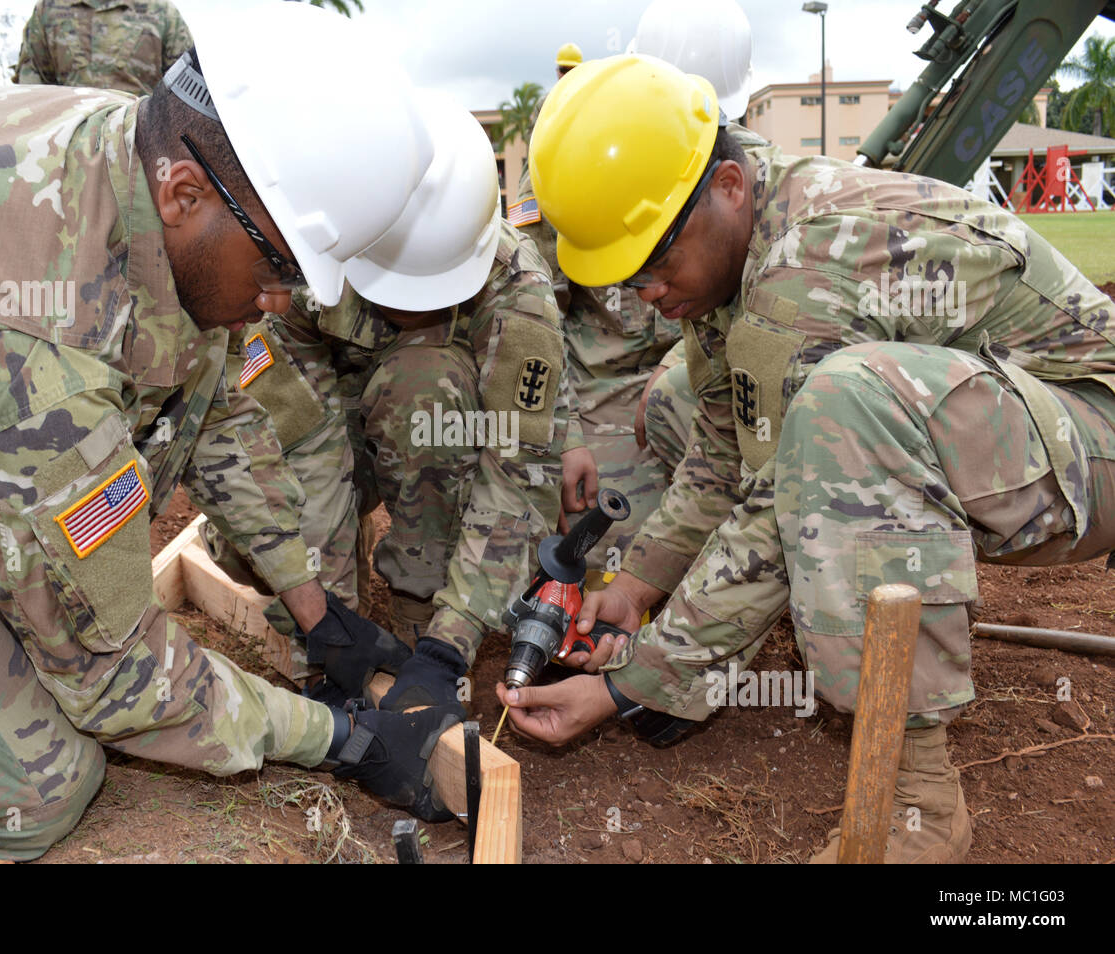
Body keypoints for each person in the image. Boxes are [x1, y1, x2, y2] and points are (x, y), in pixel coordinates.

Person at [0, 3, 457, 862]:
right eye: (280, 268)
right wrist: (338, 737)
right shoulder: (22, 353)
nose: (282, 303)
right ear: (185, 194)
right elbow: (114, 675)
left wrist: (312, 606)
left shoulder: (141, 160)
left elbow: (218, 405)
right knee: (34, 781)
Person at [500, 54, 1115, 864]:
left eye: (652, 261)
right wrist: (642, 583)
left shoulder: (807, 263)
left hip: (1089, 448)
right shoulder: (737, 248)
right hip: (1006, 437)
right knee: (680, 390)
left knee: (839, 404)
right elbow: (727, 445)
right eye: (625, 276)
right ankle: (808, 612)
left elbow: (771, 495)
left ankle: (913, 802)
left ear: (726, 186)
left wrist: (634, 682)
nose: (644, 293)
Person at [208, 90, 581, 715]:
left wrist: (449, 642)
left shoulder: (518, 294)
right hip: (344, 424)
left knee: (420, 384)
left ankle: (419, 609)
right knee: (243, 546)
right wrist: (323, 621)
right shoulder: (303, 256)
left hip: (432, 422)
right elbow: (298, 444)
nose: (411, 307)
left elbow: (519, 476)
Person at [509, 0, 763, 571]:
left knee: (762, 512)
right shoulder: (581, 152)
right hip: (596, 392)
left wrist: (678, 360)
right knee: (603, 556)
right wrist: (565, 435)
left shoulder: (736, 164)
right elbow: (532, 308)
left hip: (695, 378)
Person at [14, 0, 193, 95]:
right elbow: (31, 92)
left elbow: (186, 93)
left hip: (140, 144)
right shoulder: (49, 9)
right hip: (66, 143)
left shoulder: (161, 11)